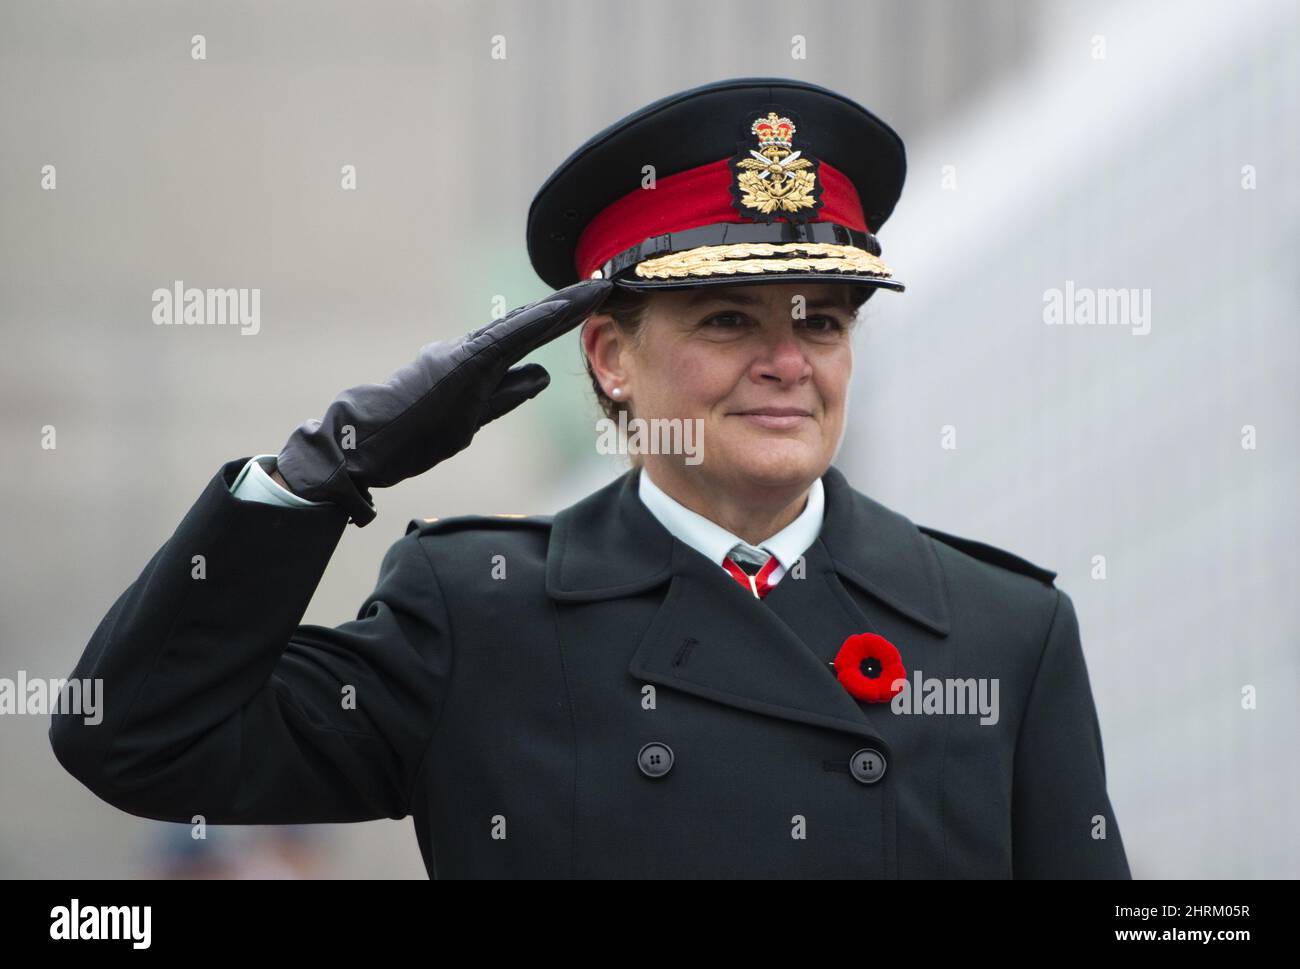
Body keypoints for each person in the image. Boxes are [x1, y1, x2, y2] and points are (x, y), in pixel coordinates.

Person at [50, 77, 1131, 879]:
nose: (789, 360)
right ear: (611, 357)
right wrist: (319, 475)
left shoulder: (1001, 630)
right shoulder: (479, 611)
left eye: (824, 319)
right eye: (726, 319)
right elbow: (133, 734)